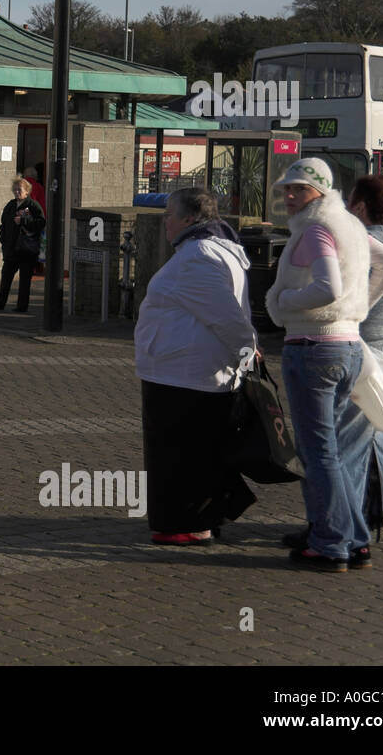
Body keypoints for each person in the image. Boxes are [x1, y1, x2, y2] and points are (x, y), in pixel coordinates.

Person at [265, 159, 383, 572]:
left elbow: (328, 287)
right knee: (338, 451)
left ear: (319, 193)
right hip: (347, 347)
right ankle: (354, 540)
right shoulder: (350, 225)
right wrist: (354, 314)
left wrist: (283, 304)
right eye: (287, 189)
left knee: (319, 451)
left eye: (299, 189)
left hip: (313, 348)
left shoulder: (316, 228)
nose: (290, 196)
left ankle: (330, 544)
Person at [134, 187, 259, 545]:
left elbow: (226, 317)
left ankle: (190, 523)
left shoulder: (199, 254)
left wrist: (247, 352)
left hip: (186, 376)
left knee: (181, 454)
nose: (165, 222)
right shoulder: (209, 249)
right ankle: (195, 518)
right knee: (191, 451)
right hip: (184, 373)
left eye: (169, 215)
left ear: (189, 219)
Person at [0, 176, 45, 312]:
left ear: (27, 191)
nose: (17, 192)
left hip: (27, 250)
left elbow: (41, 223)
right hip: (12, 248)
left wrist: (24, 221)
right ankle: (0, 302)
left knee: (25, 280)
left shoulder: (33, 205)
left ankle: (22, 306)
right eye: (15, 189)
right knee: (6, 276)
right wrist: (3, 240)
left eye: (19, 189)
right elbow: (3, 224)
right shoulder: (10, 205)